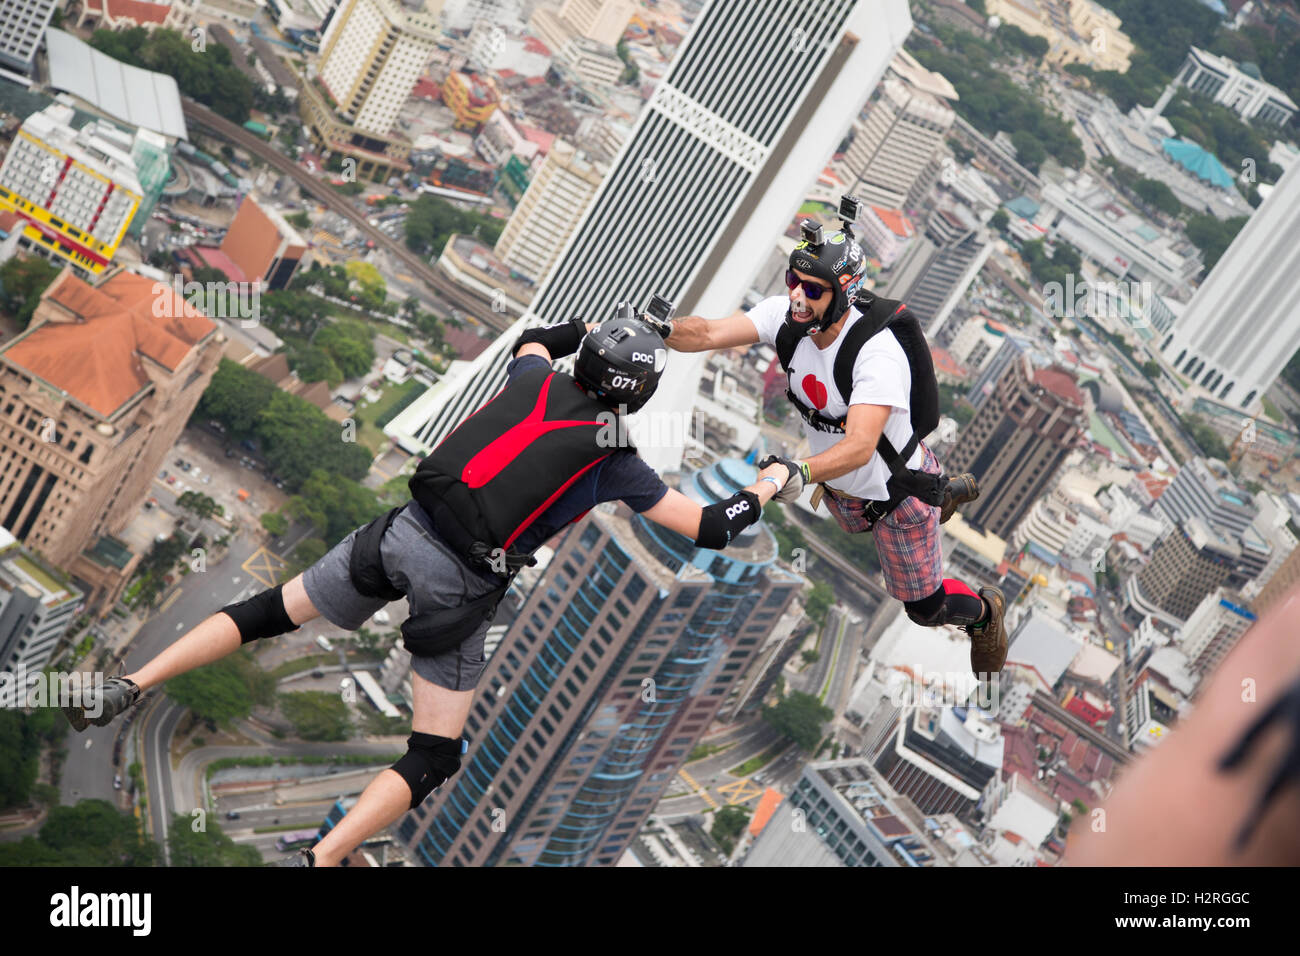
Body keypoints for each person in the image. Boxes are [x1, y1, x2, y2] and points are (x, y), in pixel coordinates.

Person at [62, 305, 802, 867]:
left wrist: (611, 327)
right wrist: (770, 483)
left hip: (401, 531)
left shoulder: (534, 374)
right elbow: (708, 527)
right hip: (460, 584)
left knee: (266, 612)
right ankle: (317, 859)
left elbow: (537, 335)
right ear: (635, 399)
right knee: (432, 758)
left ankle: (131, 682)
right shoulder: (617, 455)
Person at [644, 201, 1005, 681]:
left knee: (923, 606)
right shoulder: (786, 319)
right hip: (843, 488)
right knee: (854, 525)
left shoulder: (876, 356)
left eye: (813, 289)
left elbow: (858, 445)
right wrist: (664, 331)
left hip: (894, 494)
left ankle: (983, 612)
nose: (797, 297)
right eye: (793, 281)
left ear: (844, 294)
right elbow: (710, 331)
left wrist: (799, 470)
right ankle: (945, 494)